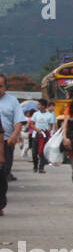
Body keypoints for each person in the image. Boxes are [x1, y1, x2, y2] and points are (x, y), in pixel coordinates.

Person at [0, 75, 19, 216]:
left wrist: (14, 135)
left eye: (0, 86)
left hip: (6, 141)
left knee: (4, 171)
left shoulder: (12, 101)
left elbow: (18, 121)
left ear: (5, 87)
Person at [32, 99, 55, 174]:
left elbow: (51, 126)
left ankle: (41, 167)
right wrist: (37, 130)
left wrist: (47, 131)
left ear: (44, 106)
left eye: (39, 104)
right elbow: (32, 124)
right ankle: (35, 165)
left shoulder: (50, 115)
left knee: (42, 152)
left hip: (45, 136)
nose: (37, 106)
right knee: (34, 153)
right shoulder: (35, 114)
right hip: (36, 135)